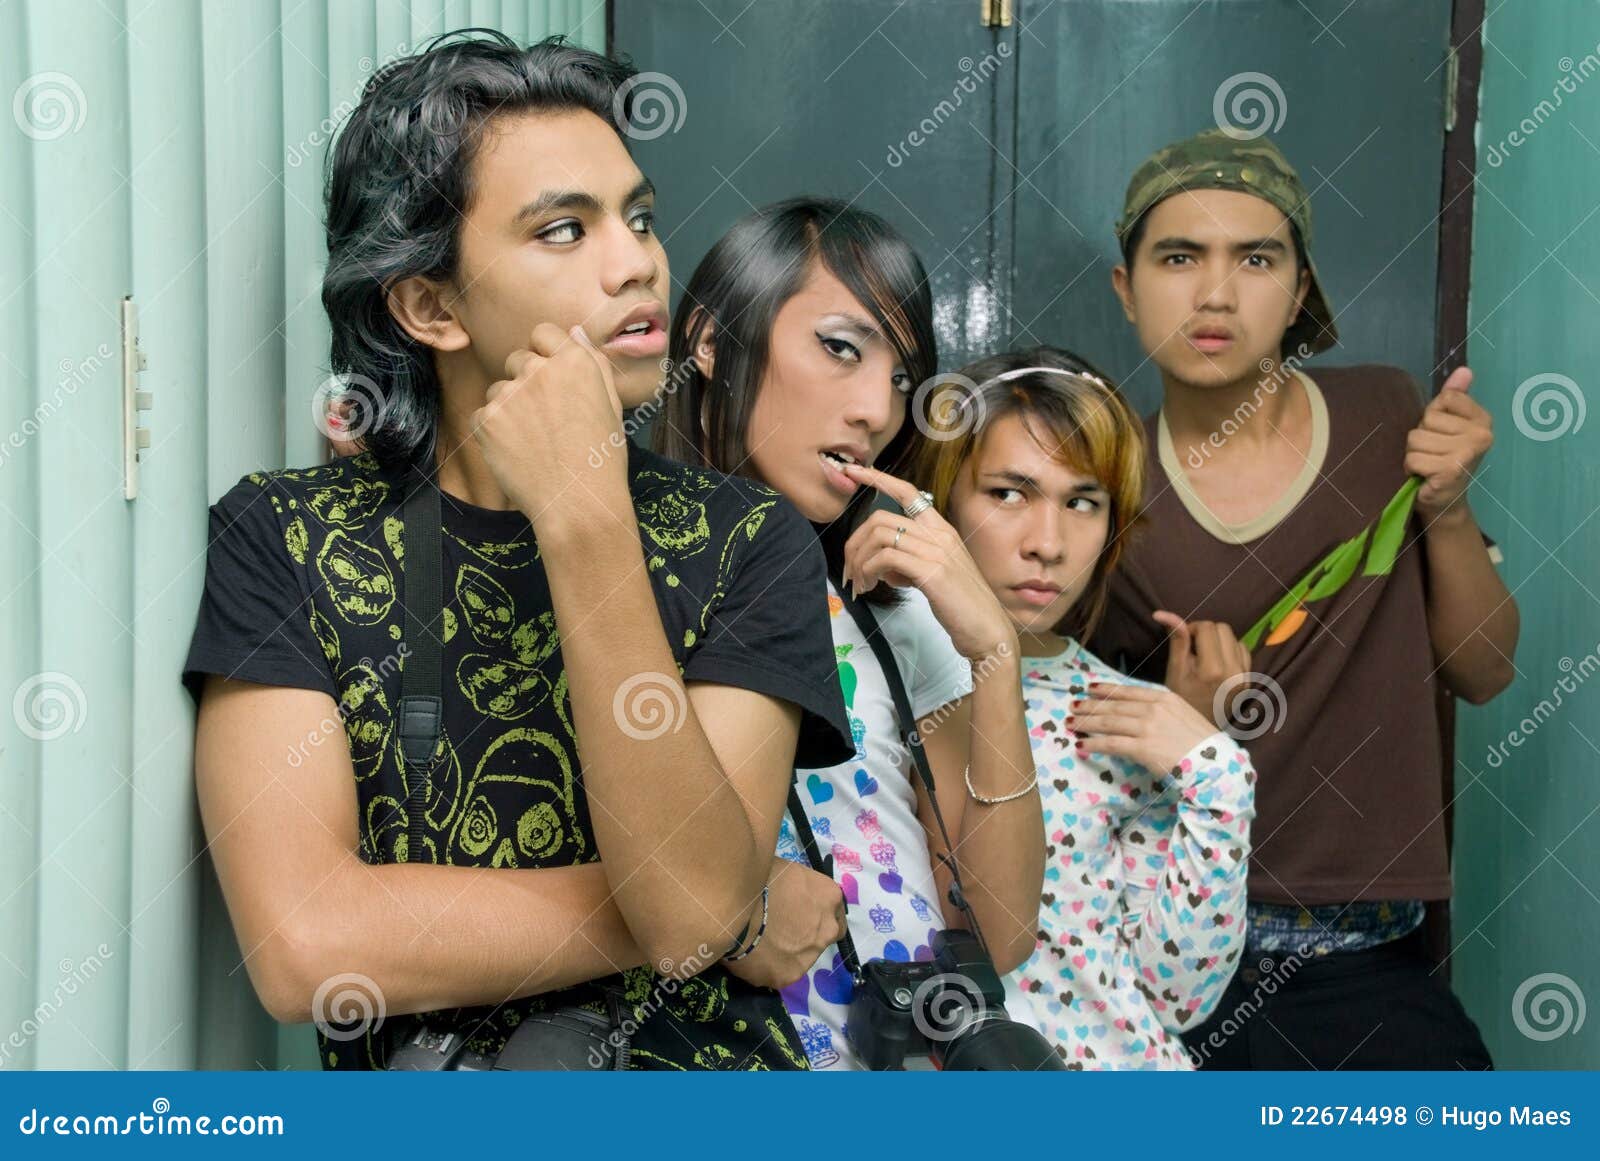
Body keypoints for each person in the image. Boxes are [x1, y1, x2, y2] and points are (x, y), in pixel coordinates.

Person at [181, 31, 855, 1071]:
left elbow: (688, 912)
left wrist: (585, 518)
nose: (636, 262)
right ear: (430, 306)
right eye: (561, 230)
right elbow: (302, 945)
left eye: (635, 217)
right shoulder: (284, 538)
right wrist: (731, 906)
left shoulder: (750, 540)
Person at [1091, 128, 1517, 1069]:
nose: (1214, 293)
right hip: (1183, 971)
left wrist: (1444, 510)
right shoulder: (1104, 489)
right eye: (1177, 257)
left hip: (1376, 965)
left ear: (1298, 289)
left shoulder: (1386, 415)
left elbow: (1485, 669)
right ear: (1127, 292)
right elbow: (1070, 753)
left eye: (1255, 258)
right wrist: (1189, 736)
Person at [655, 198, 1046, 1070]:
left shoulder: (891, 606)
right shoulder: (617, 574)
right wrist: (740, 908)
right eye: (840, 347)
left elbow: (1004, 927)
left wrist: (993, 651)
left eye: (902, 377)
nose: (877, 406)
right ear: (712, 342)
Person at [912, 346, 1254, 1068]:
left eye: (1082, 502)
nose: (1048, 544)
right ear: (943, 497)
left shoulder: (1122, 716)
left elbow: (1178, 998)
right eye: (1008, 492)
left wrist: (1216, 776)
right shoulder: (864, 665)